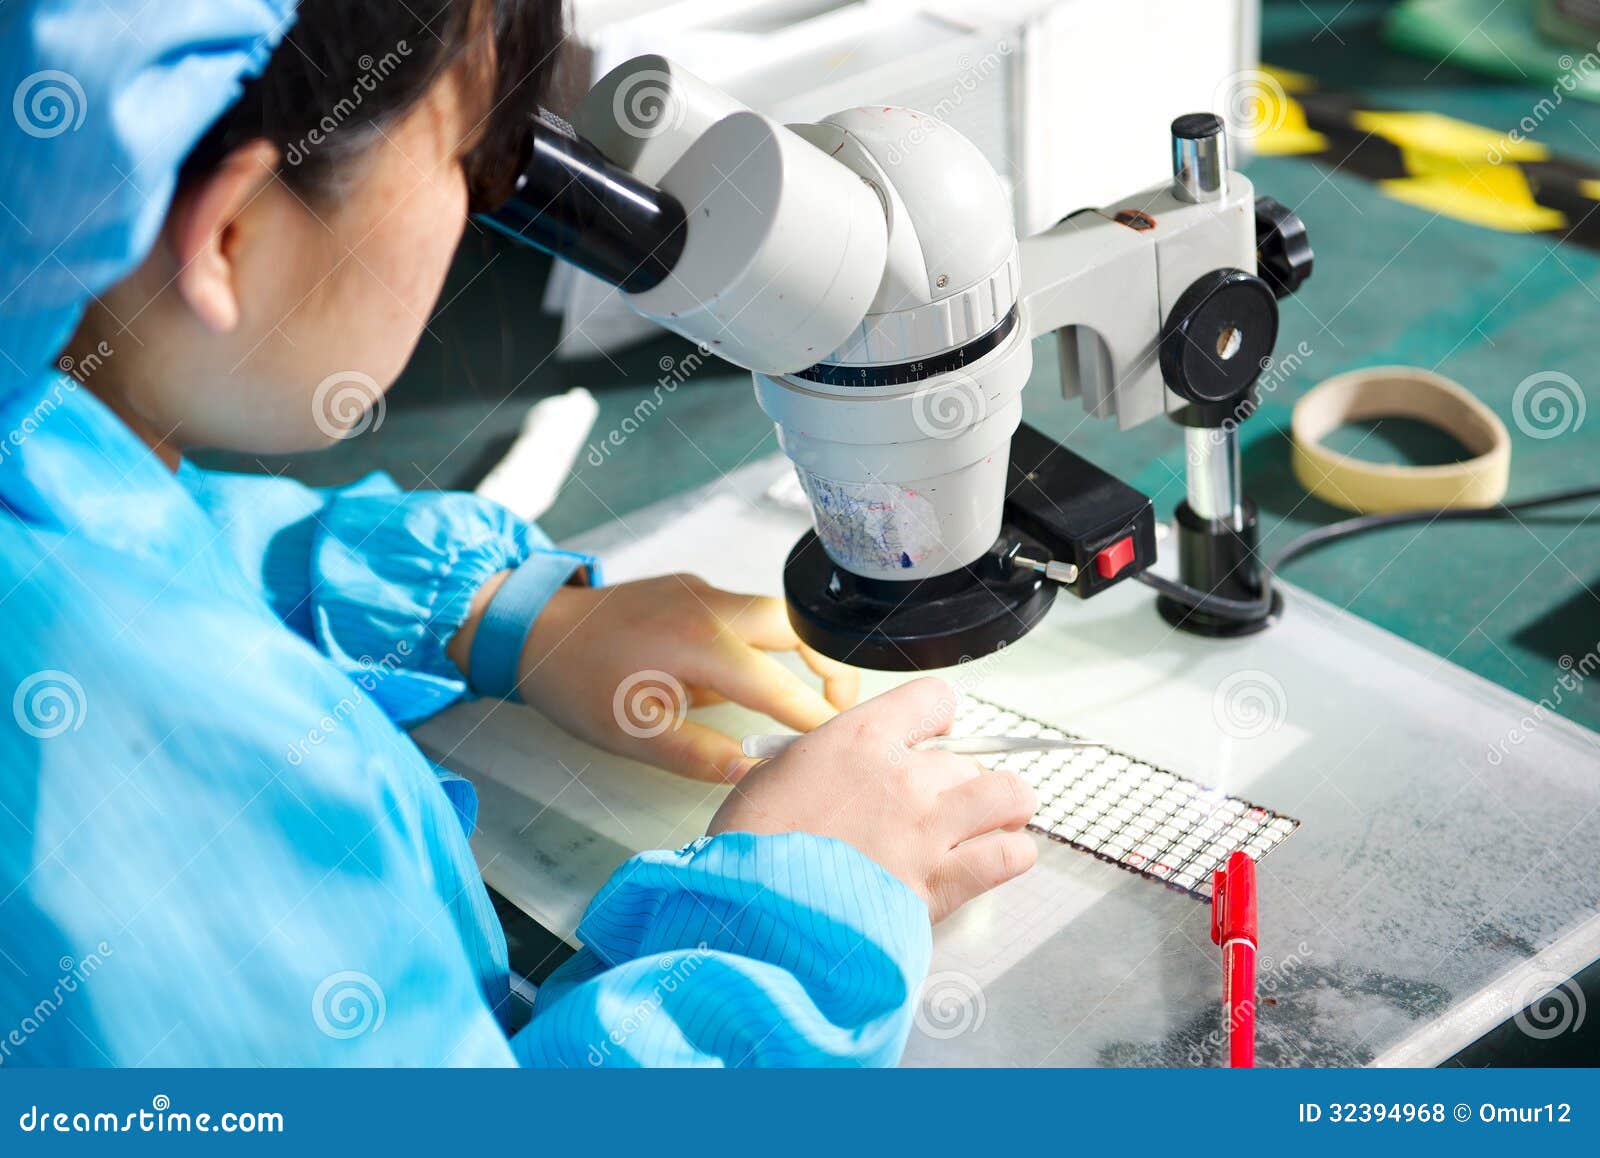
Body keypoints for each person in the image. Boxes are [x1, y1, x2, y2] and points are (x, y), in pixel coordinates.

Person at [0, 0, 1037, 1066]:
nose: (474, 210)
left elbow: (146, 545)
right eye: (464, 161)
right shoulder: (167, 764)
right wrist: (786, 921)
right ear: (230, 233)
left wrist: (491, 612)